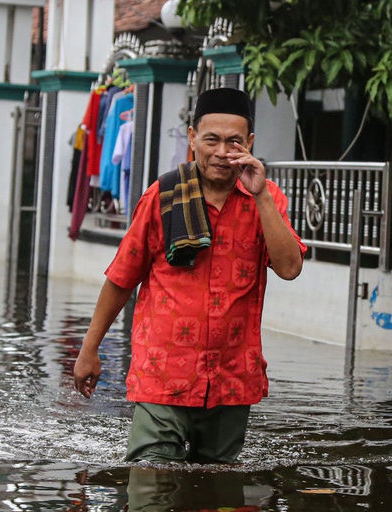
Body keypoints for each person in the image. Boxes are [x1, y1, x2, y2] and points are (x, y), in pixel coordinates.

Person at [72, 87, 307, 464]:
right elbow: (122, 277)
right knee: (150, 479)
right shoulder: (163, 195)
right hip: (162, 375)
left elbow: (290, 268)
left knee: (217, 491)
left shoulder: (268, 199)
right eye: (211, 139)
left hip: (232, 380)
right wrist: (89, 348)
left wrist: (261, 195)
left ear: (249, 144)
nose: (220, 152)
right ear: (193, 137)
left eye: (233, 142)